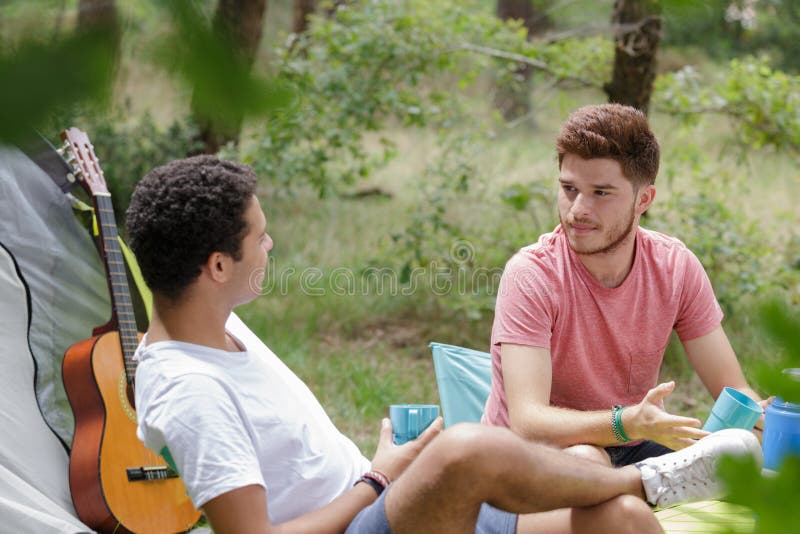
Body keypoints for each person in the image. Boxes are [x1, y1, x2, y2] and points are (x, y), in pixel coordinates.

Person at [125, 155, 761, 534]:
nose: (271, 246)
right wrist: (377, 478)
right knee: (465, 448)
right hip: (368, 519)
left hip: (393, 504)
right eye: (259, 237)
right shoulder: (190, 391)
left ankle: (638, 489)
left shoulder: (213, 323)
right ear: (215, 267)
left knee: (615, 515)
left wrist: (381, 475)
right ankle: (650, 478)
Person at [482, 103, 766, 468]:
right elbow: (528, 422)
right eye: (569, 188)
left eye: (601, 193)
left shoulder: (675, 267)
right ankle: (660, 486)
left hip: (631, 449)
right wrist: (626, 422)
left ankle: (663, 483)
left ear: (643, 200)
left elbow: (733, 390)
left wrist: (764, 415)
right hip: (531, 459)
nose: (577, 210)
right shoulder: (531, 274)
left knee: (752, 445)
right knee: (587, 460)